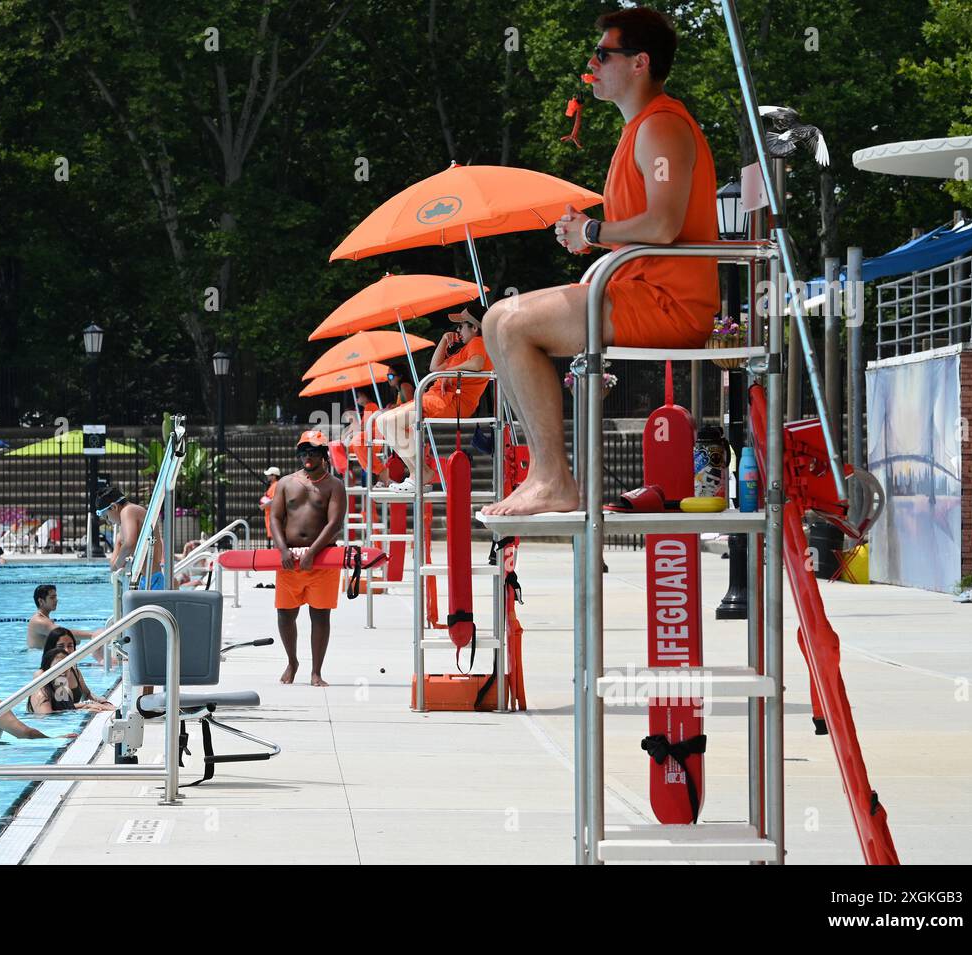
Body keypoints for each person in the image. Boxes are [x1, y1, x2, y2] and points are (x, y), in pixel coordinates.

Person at [482, 6, 719, 516]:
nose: (591, 64)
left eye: (603, 54)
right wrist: (590, 235)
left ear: (639, 63)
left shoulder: (661, 127)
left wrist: (591, 232)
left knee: (513, 325)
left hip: (668, 305)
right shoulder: (640, 128)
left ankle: (553, 479)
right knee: (497, 319)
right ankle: (546, 474)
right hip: (637, 292)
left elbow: (663, 226)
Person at [373, 301, 493, 490]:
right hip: (438, 399)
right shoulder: (468, 348)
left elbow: (477, 364)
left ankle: (419, 473)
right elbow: (434, 368)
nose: (458, 330)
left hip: (448, 402)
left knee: (386, 422)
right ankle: (418, 473)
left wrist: (449, 372)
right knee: (383, 421)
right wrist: (445, 340)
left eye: (461, 325)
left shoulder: (478, 342)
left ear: (475, 328)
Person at [268, 430, 346, 686]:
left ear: (323, 455)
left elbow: (335, 523)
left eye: (313, 451)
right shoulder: (286, 483)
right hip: (289, 558)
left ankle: (316, 672)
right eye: (304, 451)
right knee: (285, 614)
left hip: (322, 558)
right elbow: (276, 518)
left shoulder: (334, 485)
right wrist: (281, 549)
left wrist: (313, 551)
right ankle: (292, 661)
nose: (308, 456)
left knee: (320, 615)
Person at [27, 639, 113, 715]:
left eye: (66, 665)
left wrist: (87, 705)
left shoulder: (61, 687)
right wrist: (83, 710)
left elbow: (65, 709)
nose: (63, 669)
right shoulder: (41, 693)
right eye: (58, 666)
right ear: (47, 668)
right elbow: (46, 717)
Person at [97, 484, 163, 584]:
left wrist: (116, 566)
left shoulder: (128, 510)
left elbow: (129, 544)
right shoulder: (128, 519)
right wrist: (119, 540)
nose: (108, 522)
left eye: (106, 516)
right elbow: (114, 562)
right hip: (147, 579)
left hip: (152, 579)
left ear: (114, 507)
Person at [28, 584, 100, 649]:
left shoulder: (45, 619)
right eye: (52, 598)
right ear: (41, 601)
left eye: (56, 597)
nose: (56, 600)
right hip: (36, 659)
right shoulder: (39, 621)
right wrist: (92, 634)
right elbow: (63, 633)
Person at [260, 467, 281, 541]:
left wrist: (263, 506)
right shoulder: (273, 485)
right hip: (270, 515)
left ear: (274, 476)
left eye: (269, 475)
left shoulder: (276, 485)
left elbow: (275, 500)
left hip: (273, 515)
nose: (267, 476)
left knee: (276, 539)